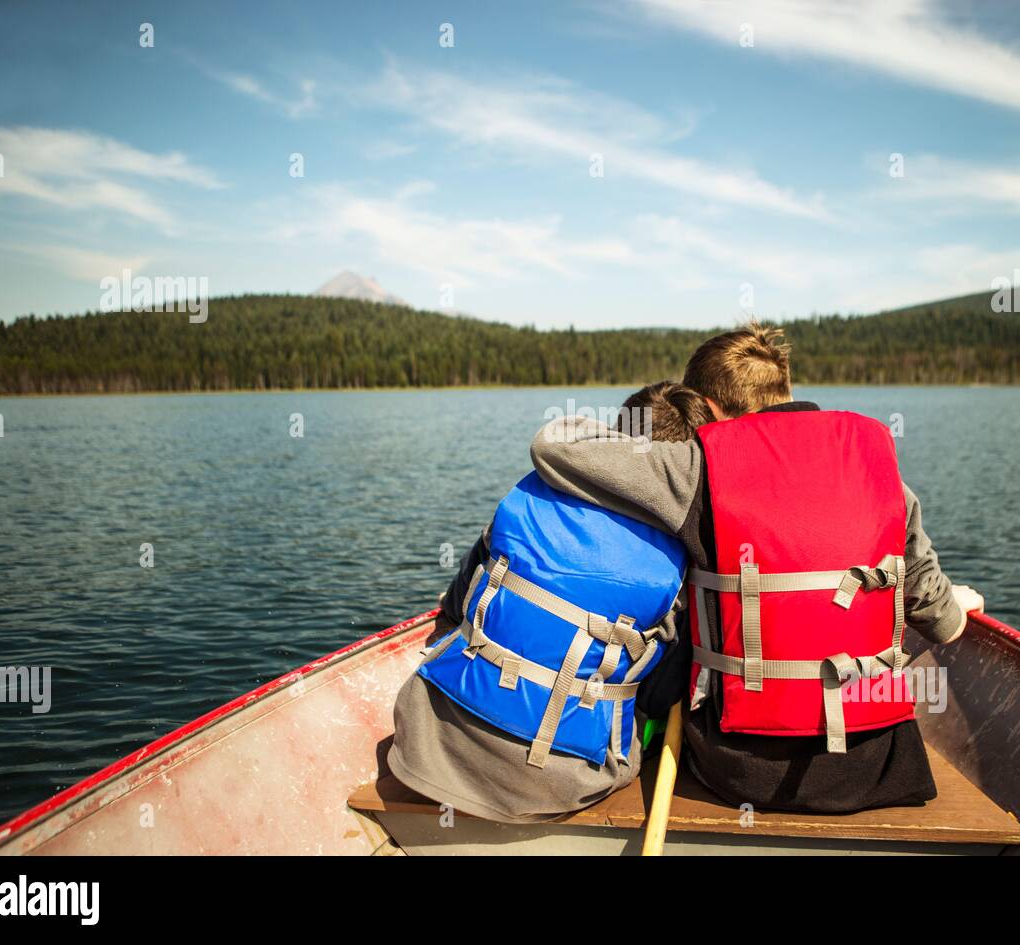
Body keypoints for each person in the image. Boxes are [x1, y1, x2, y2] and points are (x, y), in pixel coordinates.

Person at [530, 324, 984, 813]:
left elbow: (554, 445)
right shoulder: (877, 468)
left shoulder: (697, 464)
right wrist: (954, 601)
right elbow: (943, 622)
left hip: (742, 771)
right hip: (879, 767)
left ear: (708, 407)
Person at [387, 381, 713, 823]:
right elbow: (660, 696)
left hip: (425, 739)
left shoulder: (529, 498)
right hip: (565, 782)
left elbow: (457, 606)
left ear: (615, 437)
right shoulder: (675, 563)